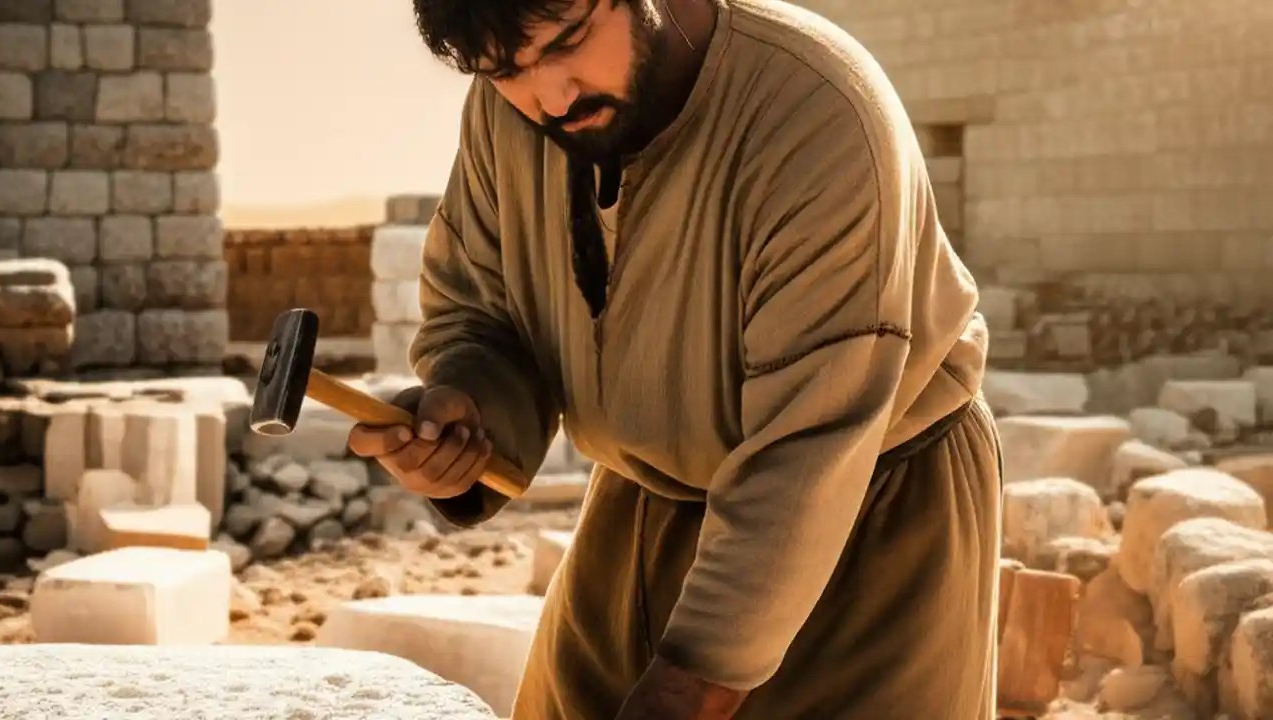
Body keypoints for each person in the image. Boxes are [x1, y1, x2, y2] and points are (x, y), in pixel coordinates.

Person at [347, 0, 1003, 717]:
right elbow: (479, 311)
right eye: (506, 70)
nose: (553, 98)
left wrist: (696, 678)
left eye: (569, 42)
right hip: (637, 501)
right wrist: (469, 413)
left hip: (866, 519)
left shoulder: (818, 113)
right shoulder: (512, 104)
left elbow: (810, 439)